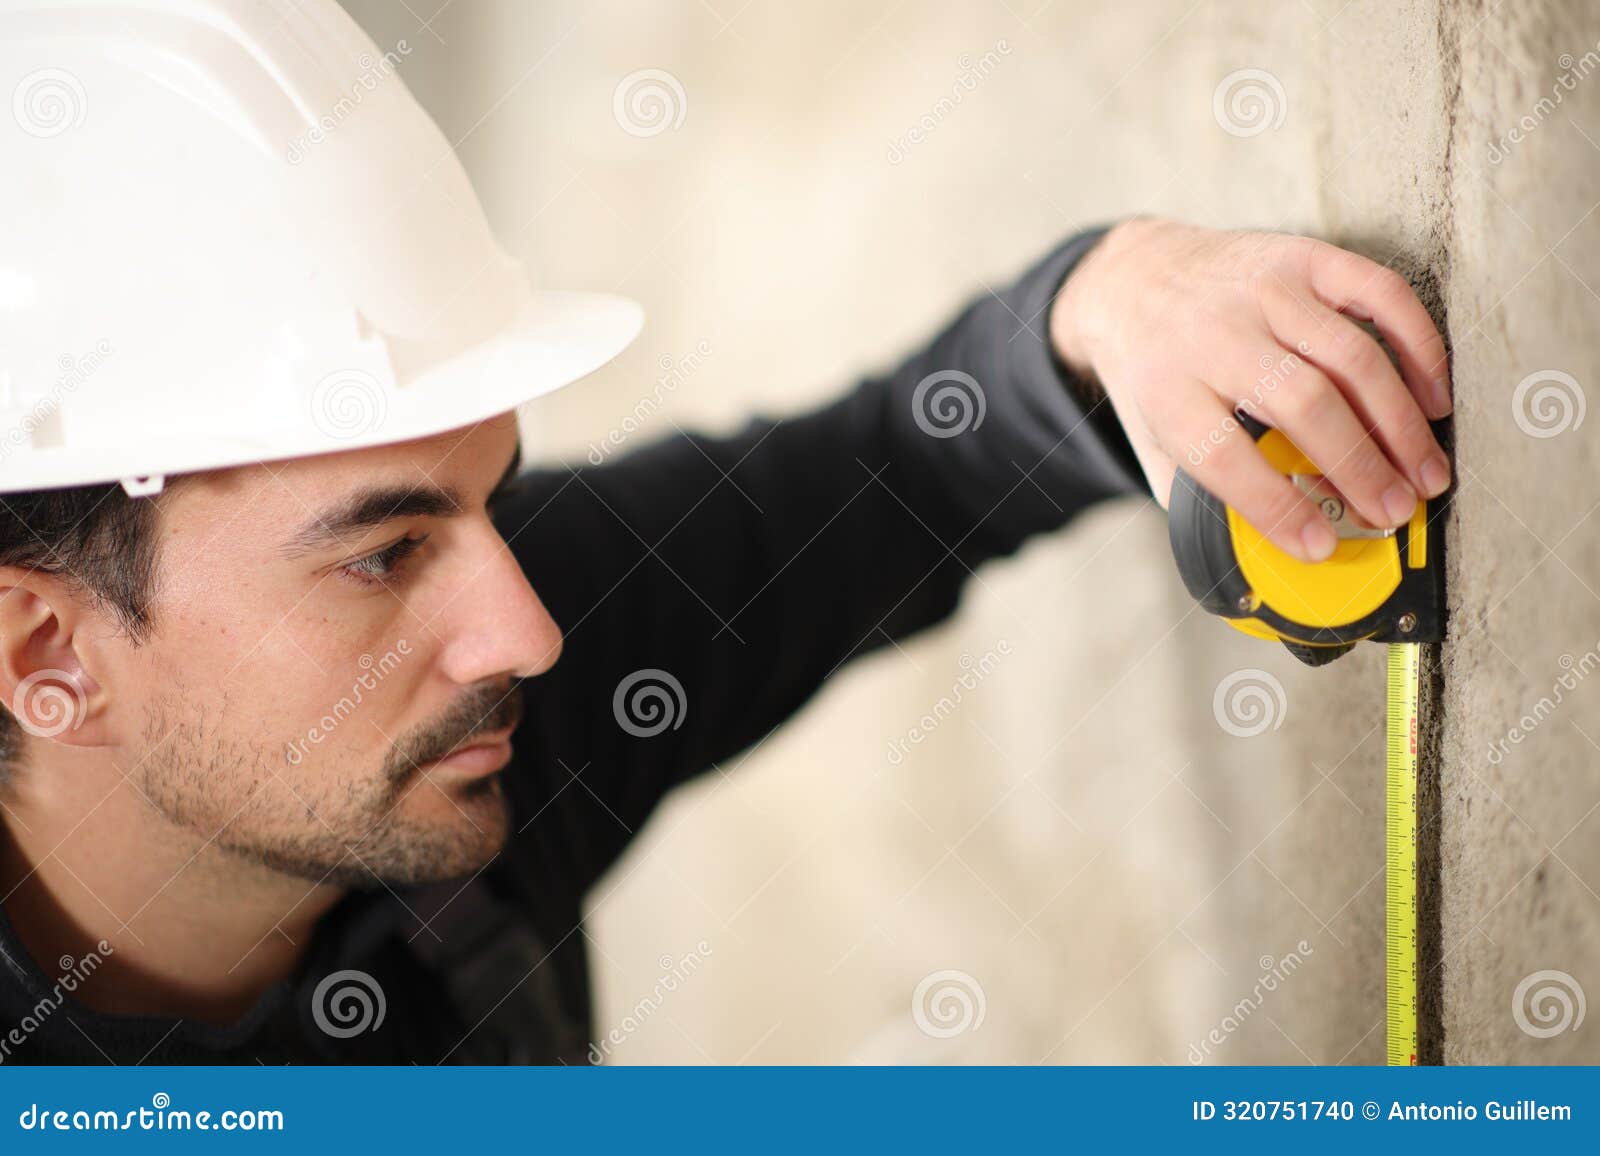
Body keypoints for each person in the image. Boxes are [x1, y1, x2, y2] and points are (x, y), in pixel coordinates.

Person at [0, 0, 1450, 1064]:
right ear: (44, 648)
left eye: (493, 497)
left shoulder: (463, 709)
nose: (532, 631)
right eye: (383, 555)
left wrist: (1112, 309)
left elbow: (906, 463)